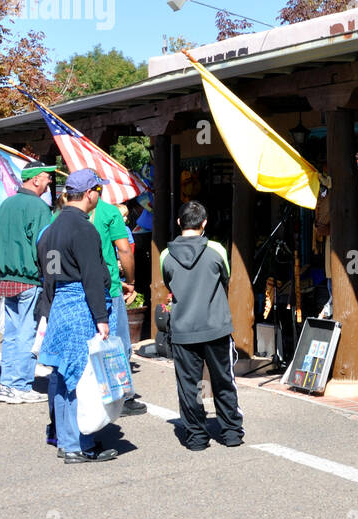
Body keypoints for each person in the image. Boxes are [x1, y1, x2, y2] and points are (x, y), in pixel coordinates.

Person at [35, 169, 119, 464]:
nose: (99, 196)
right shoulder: (84, 229)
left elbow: (47, 274)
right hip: (80, 305)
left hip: (59, 304)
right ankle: (77, 445)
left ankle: (66, 438)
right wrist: (101, 317)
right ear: (89, 193)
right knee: (78, 378)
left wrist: (49, 308)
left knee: (61, 374)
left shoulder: (50, 230)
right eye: (99, 190)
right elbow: (93, 277)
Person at [162, 200, 244, 450]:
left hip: (184, 329)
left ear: (179, 223)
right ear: (204, 224)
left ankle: (197, 436)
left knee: (190, 384)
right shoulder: (216, 249)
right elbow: (225, 277)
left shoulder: (166, 254)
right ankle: (230, 432)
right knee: (222, 379)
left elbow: (169, 284)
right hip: (215, 325)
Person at [0, 163, 55, 404]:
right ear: (36, 180)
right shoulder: (38, 207)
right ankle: (20, 386)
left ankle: (7, 385)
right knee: (27, 334)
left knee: (12, 334)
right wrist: (53, 277)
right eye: (47, 178)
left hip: (7, 278)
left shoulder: (7, 203)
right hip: (29, 279)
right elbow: (46, 246)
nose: (49, 182)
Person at [92, 192, 146, 416]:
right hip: (110, 284)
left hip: (79, 287)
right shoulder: (108, 211)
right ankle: (121, 397)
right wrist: (131, 281)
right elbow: (124, 249)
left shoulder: (63, 214)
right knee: (118, 342)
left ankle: (94, 392)